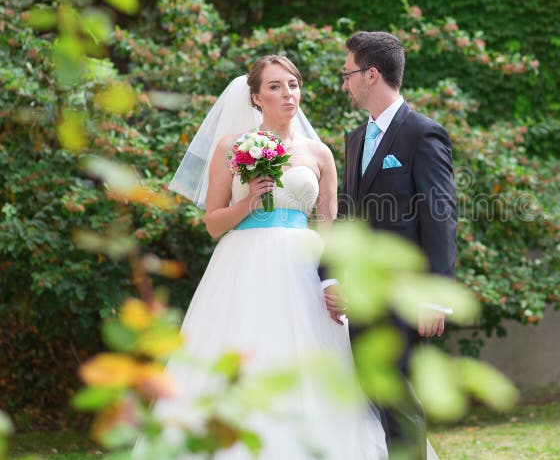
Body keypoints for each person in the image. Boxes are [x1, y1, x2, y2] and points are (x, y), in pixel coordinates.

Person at [136, 55, 387, 459]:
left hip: (303, 266)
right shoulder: (231, 147)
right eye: (274, 86)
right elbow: (213, 223)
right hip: (243, 264)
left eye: (292, 84)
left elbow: (329, 226)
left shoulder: (319, 153)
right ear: (255, 97)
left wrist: (336, 279)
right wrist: (248, 203)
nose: (287, 94)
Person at [325, 32, 458, 460]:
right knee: (376, 392)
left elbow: (440, 217)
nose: (345, 83)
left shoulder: (423, 134)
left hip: (405, 294)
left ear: (371, 75)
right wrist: (332, 276)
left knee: (399, 398)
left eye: (348, 73)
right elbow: (347, 216)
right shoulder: (354, 139)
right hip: (363, 294)